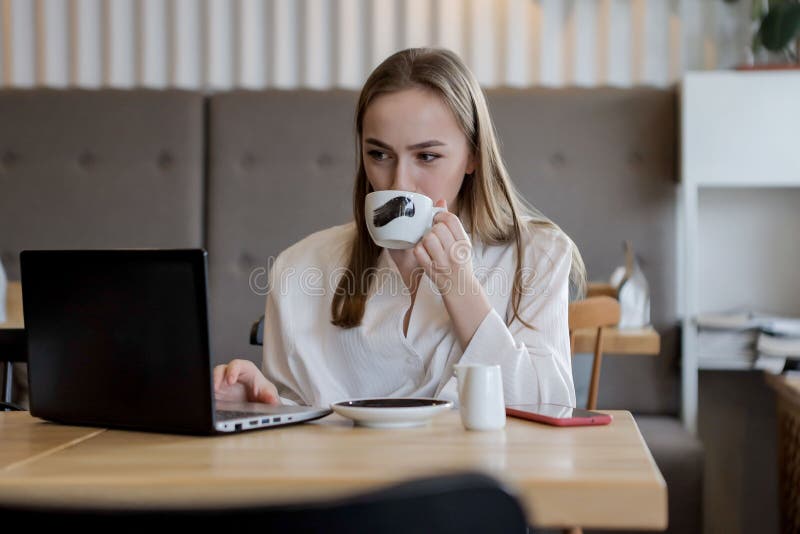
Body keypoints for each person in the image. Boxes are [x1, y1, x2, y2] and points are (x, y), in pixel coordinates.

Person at [213, 47, 586, 408]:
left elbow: (550, 406)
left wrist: (460, 287)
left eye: (427, 156)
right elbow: (295, 426)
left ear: (473, 155)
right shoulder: (298, 268)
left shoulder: (537, 253)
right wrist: (261, 405)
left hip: (475, 472)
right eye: (379, 154)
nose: (399, 183)